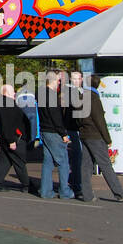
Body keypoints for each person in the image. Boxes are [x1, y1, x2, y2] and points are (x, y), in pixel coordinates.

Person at [73, 75, 123, 202]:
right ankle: (119, 193)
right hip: (95, 135)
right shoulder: (94, 98)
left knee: (85, 166)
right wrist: (107, 139)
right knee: (105, 164)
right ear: (97, 85)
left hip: (84, 134)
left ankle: (87, 195)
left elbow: (77, 118)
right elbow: (99, 121)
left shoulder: (80, 97)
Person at [37, 71, 74, 199]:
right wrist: (63, 133)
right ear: (52, 81)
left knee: (48, 161)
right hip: (53, 131)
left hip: (44, 130)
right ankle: (65, 191)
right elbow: (56, 116)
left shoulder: (41, 94)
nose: (59, 83)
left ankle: (46, 190)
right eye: (58, 80)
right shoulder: (51, 95)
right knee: (63, 161)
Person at [0, 84, 32, 192]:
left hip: (7, 137)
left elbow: (1, 121)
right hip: (14, 137)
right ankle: (27, 185)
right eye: (12, 91)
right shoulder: (7, 105)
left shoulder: (0, 104)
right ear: (6, 93)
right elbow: (7, 124)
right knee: (19, 161)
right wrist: (11, 140)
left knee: (5, 160)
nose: (14, 93)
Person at [65, 72, 85, 197]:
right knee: (78, 156)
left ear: (81, 79)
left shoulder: (80, 91)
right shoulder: (71, 92)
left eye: (78, 78)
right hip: (73, 127)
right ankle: (77, 184)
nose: (75, 81)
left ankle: (75, 181)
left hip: (75, 127)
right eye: (73, 79)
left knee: (78, 156)